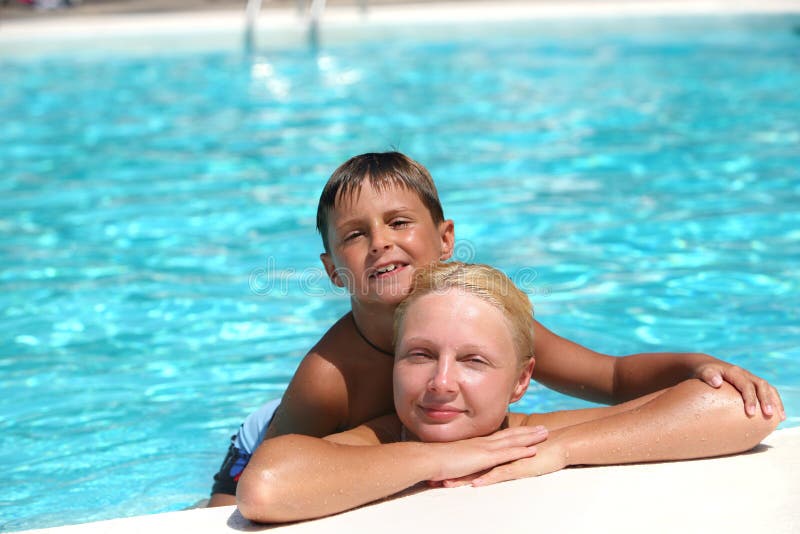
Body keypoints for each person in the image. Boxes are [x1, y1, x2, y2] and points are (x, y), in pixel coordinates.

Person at [209, 152, 784, 506]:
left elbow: (610, 376)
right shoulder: (328, 376)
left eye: (400, 222)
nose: (381, 241)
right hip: (274, 438)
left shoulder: (484, 317)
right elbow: (271, 472)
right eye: (356, 234)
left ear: (445, 239)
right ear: (334, 270)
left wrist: (695, 367)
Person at [236, 262, 780, 522]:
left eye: (473, 361)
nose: (441, 383)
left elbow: (742, 410)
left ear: (522, 381)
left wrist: (560, 451)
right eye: (420, 356)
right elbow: (265, 485)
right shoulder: (375, 440)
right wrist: (445, 455)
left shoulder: (531, 438)